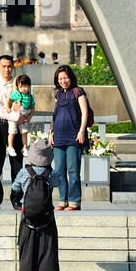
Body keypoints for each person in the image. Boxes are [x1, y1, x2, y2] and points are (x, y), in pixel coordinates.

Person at [10, 140, 61, 271]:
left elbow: (15, 189)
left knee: (26, 250)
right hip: (47, 216)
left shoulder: (24, 172)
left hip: (28, 217)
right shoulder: (51, 174)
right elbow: (57, 183)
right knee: (46, 250)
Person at [48, 64, 89, 211]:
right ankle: (62, 200)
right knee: (59, 170)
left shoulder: (78, 91)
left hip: (74, 136)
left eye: (66, 77)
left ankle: (74, 201)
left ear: (70, 77)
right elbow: (55, 116)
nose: (63, 80)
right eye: (60, 78)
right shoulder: (58, 95)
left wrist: (82, 131)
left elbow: (85, 112)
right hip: (58, 137)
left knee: (73, 170)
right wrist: (50, 133)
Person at [0, 53, 23, 210]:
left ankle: (17, 198)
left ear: (13, 67)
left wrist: (20, 114)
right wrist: (15, 115)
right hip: (0, 125)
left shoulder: (19, 85)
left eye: (10, 66)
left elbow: (25, 104)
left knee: (17, 164)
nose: (7, 69)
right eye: (4, 66)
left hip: (16, 127)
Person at [7, 73, 35, 156]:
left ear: (29, 86)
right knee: (12, 131)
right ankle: (10, 147)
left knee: (24, 132)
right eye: (21, 87)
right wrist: (8, 108)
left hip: (25, 117)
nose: (23, 89)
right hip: (15, 116)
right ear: (18, 87)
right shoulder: (17, 94)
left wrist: (30, 117)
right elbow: (9, 98)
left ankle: (25, 147)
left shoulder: (30, 96)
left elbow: (33, 108)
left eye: (25, 86)